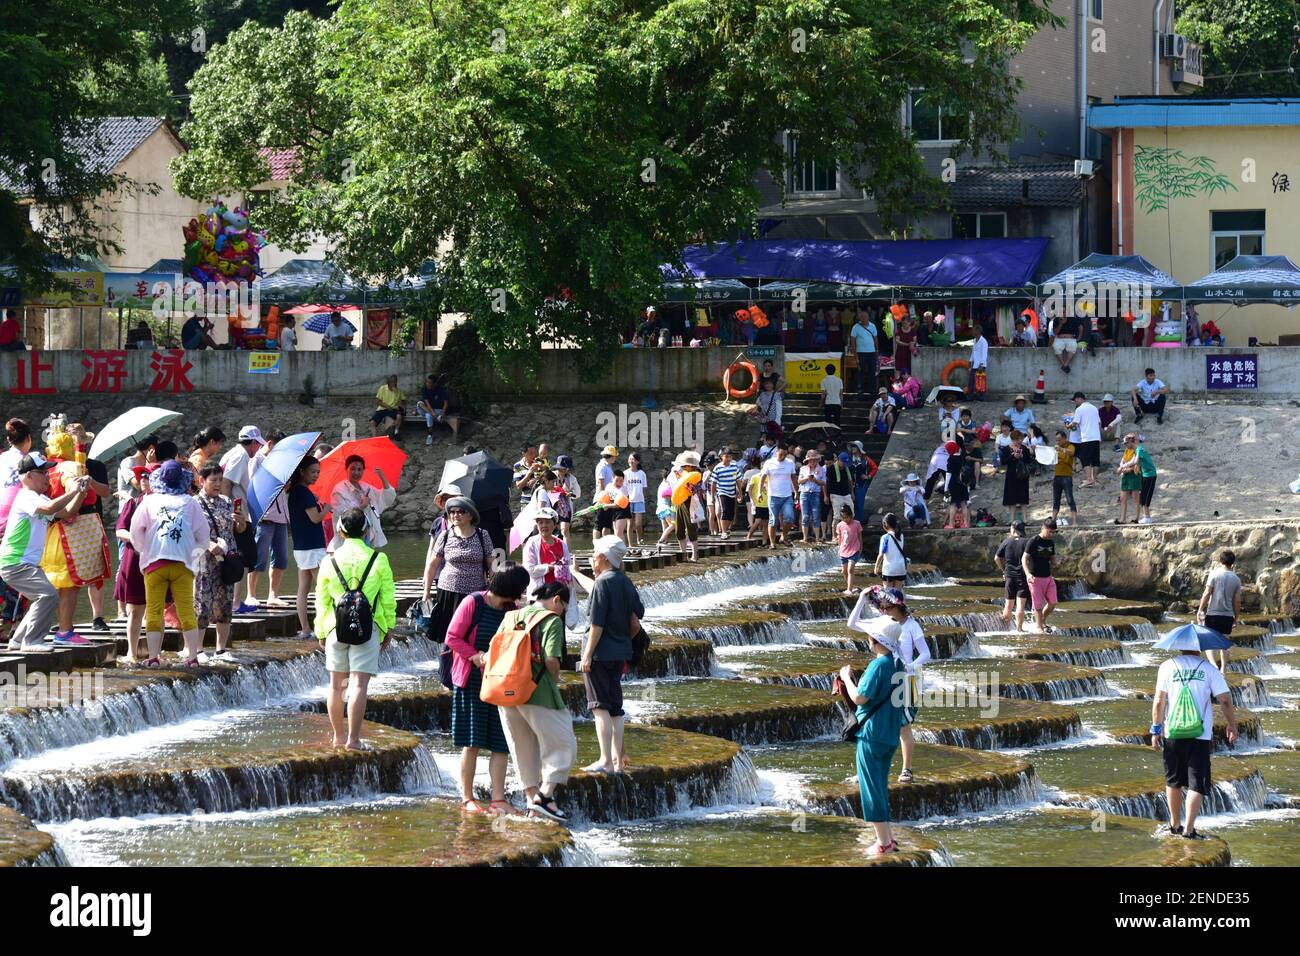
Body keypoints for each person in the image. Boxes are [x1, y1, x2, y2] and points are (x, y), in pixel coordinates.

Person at [445, 563, 531, 813]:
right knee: (472, 742)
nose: (523, 592)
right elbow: (452, 637)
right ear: (511, 588)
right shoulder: (473, 603)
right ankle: (467, 798)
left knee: (500, 741)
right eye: (521, 588)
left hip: (501, 682)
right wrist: (475, 656)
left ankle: (498, 799)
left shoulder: (512, 610)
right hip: (471, 680)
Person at [315, 507, 396, 750]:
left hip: (334, 628)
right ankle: (354, 740)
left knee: (336, 685)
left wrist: (321, 631)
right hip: (367, 628)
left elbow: (321, 600)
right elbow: (388, 599)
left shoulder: (328, 561)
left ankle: (337, 737)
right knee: (359, 685)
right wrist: (388, 627)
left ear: (340, 530)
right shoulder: (378, 559)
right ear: (367, 531)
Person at [497, 580, 578, 822]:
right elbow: (552, 659)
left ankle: (534, 803)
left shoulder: (512, 616)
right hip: (537, 691)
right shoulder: (551, 621)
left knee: (522, 746)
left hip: (506, 690)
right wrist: (556, 679)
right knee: (564, 744)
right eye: (564, 606)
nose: (563, 612)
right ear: (556, 600)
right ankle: (545, 794)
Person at [0, 454, 89, 650]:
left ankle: (17, 640)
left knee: (44, 597)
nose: (48, 477)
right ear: (29, 476)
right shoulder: (26, 497)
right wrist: (71, 490)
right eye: (43, 473)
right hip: (15, 562)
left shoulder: (39, 497)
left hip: (26, 563)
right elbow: (49, 508)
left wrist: (80, 493)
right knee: (48, 596)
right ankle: (32, 641)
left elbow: (66, 513)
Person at [1150, 643, 1236, 840]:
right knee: (1197, 782)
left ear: (1180, 646)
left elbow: (1159, 701)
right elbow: (1224, 700)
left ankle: (1174, 825)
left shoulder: (1167, 666)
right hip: (1200, 735)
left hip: (1173, 732)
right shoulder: (1209, 669)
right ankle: (1189, 829)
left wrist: (1156, 730)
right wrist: (1232, 725)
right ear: (1199, 647)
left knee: (1173, 780)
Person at [130, 460, 210, 667]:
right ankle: (192, 658)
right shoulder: (190, 502)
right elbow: (204, 535)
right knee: (186, 610)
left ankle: (153, 658)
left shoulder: (148, 501)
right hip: (182, 564)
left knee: (154, 611)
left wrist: (143, 550)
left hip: (154, 563)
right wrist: (194, 555)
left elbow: (135, 531)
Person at [837, 617, 905, 855]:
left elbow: (859, 698)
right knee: (880, 786)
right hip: (890, 735)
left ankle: (883, 843)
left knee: (871, 788)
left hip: (871, 735)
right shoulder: (899, 664)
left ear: (875, 641)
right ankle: (888, 838)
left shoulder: (878, 666)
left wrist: (846, 678)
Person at [578, 535, 644, 774]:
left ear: (603, 558)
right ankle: (617, 759)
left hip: (600, 654)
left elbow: (596, 625)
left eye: (594, 555)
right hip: (620, 653)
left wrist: (587, 655)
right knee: (616, 707)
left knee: (599, 707)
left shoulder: (602, 583)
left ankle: (605, 759)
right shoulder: (624, 581)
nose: (592, 559)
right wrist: (623, 640)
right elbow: (636, 620)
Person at [40, 428, 109, 645]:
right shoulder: (70, 467)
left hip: (50, 530)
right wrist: (73, 507)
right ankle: (64, 631)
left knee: (59, 584)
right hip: (71, 531)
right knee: (69, 585)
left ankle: (56, 628)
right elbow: (75, 487)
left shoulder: (45, 468)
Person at [421, 493, 495, 647]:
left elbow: (491, 564)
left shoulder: (483, 535)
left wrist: (493, 590)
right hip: (448, 592)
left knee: (471, 634)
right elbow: (432, 565)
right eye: (453, 512)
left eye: (461, 512)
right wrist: (426, 592)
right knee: (448, 634)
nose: (456, 515)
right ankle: (447, 665)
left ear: (471, 515)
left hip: (474, 594)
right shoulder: (445, 536)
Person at [193, 462, 246, 663]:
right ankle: (197, 649)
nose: (217, 484)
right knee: (202, 601)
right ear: (201, 481)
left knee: (224, 603)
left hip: (227, 559)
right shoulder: (194, 504)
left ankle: (221, 649)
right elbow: (192, 532)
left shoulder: (226, 501)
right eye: (212, 480)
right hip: (204, 560)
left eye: (219, 480)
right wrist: (208, 544)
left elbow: (237, 531)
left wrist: (240, 522)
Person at [220, 425, 263, 612]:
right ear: (253, 443)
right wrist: (228, 512)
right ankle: (236, 603)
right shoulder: (241, 456)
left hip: (240, 514)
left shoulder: (232, 453)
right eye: (258, 444)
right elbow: (226, 483)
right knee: (245, 558)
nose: (258, 448)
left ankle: (235, 601)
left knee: (244, 557)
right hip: (239, 515)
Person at [288, 458, 331, 640]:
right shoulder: (303, 492)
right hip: (312, 547)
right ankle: (325, 628)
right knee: (325, 587)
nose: (316, 476)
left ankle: (306, 629)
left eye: (317, 472)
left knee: (303, 589)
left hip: (301, 546)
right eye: (313, 472)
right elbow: (315, 518)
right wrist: (327, 508)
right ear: (302, 471)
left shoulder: (296, 492)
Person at [246, 431, 290, 607]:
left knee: (281, 557)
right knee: (259, 556)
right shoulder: (256, 460)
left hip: (281, 515)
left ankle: (273, 594)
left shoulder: (280, 463)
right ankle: (251, 594)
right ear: (270, 444)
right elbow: (256, 485)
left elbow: (284, 488)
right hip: (264, 516)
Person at [113, 465, 152, 663]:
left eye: (148, 476)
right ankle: (132, 652)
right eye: (141, 476)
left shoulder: (167, 505)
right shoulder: (133, 503)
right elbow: (120, 530)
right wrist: (136, 540)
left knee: (156, 608)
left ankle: (155, 654)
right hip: (135, 560)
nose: (143, 479)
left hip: (157, 559)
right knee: (135, 609)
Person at [329, 455, 396, 550]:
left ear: (363, 471)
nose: (356, 472)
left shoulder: (366, 487)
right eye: (353, 469)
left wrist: (382, 477)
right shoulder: (339, 490)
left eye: (359, 469)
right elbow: (340, 516)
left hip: (367, 533)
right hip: (348, 538)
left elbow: (385, 498)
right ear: (346, 469)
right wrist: (362, 506)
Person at [1197, 550, 1241, 675]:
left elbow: (1207, 593)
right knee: (1224, 643)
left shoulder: (1214, 575)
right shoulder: (1236, 579)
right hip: (1227, 616)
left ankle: (1213, 665)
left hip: (1213, 614)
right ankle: (1223, 669)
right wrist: (1236, 617)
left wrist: (1200, 609)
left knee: (1209, 641)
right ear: (1232, 563)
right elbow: (1237, 601)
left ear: (1221, 561)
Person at [1021, 519, 1059, 633]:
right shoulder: (1033, 541)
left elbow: (1052, 559)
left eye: (1054, 532)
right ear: (1044, 528)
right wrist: (1028, 574)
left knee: (1053, 602)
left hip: (1048, 577)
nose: (1052, 534)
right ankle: (1039, 627)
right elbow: (1024, 558)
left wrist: (1057, 563)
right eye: (1050, 531)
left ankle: (1042, 620)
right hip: (1035, 578)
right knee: (1038, 604)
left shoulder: (1051, 543)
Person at [994, 521, 1031, 632]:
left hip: (1009, 576)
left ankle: (1007, 629)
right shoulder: (1026, 542)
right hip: (1022, 577)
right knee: (1020, 605)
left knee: (1008, 605)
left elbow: (996, 558)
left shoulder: (1006, 542)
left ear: (1013, 529)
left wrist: (1004, 570)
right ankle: (1019, 630)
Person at [761, 444, 798, 547]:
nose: (782, 457)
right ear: (777, 452)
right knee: (773, 520)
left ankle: (783, 536)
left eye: (785, 455)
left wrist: (796, 492)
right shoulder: (769, 463)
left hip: (787, 495)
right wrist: (760, 492)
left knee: (790, 518)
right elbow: (763, 477)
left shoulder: (790, 463)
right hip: (773, 495)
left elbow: (794, 478)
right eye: (781, 454)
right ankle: (772, 543)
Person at [1068, 392, 1102, 486]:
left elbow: (1075, 423)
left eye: (1075, 400)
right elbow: (1099, 423)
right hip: (1096, 437)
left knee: (1085, 459)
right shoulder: (1094, 408)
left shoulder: (1080, 409)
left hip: (1086, 438)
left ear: (1079, 398)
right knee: (1095, 460)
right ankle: (1094, 479)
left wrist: (1068, 426)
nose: (1075, 402)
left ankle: (1088, 479)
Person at [707, 448, 742, 538]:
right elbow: (713, 483)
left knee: (731, 513)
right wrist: (713, 495)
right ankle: (723, 532)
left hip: (732, 492)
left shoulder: (734, 467)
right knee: (725, 511)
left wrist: (740, 492)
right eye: (726, 456)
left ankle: (726, 529)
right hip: (722, 492)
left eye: (730, 456)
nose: (728, 458)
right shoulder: (717, 468)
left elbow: (738, 480)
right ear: (721, 457)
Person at [797, 450, 826, 544]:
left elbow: (823, 483)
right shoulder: (803, 469)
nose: (812, 462)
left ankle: (817, 538)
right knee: (805, 516)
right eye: (811, 460)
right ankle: (805, 537)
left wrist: (815, 480)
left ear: (817, 460)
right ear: (808, 460)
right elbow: (799, 481)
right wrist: (807, 478)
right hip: (804, 493)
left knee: (816, 516)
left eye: (814, 460)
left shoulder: (821, 469)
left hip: (815, 493)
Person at [1051, 430, 1078, 527]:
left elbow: (1071, 453)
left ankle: (1075, 522)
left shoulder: (1070, 446)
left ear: (1064, 438)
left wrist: (1061, 450)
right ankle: (1053, 522)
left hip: (1067, 477)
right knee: (1055, 500)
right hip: (1057, 476)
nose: (1057, 442)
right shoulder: (1056, 448)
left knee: (1070, 499)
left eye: (1059, 440)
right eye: (1056, 440)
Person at [1115, 431, 1143, 525]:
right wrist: (1121, 468)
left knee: (1135, 498)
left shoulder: (1137, 450)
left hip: (1134, 475)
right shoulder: (1127, 450)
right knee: (1123, 498)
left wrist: (1125, 469)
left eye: (1127, 443)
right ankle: (1122, 519)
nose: (1126, 445)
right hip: (1125, 475)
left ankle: (1137, 518)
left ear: (1132, 441)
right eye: (1125, 443)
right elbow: (1122, 461)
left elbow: (1135, 463)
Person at [943, 438, 971, 529]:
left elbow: (948, 474)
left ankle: (951, 524)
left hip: (954, 482)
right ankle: (966, 523)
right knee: (964, 503)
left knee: (953, 504)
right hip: (963, 483)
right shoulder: (962, 457)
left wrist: (945, 488)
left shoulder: (950, 459)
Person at [835, 504, 863, 595]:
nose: (845, 520)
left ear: (851, 516)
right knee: (844, 571)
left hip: (854, 549)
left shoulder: (856, 524)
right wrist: (839, 549)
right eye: (843, 518)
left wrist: (860, 548)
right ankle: (849, 586)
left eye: (847, 517)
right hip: (843, 551)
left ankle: (849, 590)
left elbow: (860, 537)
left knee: (850, 569)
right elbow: (840, 538)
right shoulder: (839, 525)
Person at [873, 513, 908, 585]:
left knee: (888, 594)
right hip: (901, 568)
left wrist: (876, 567)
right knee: (898, 593)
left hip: (889, 569)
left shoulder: (885, 537)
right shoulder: (901, 535)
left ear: (886, 524)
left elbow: (881, 554)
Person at [850, 311, 878, 393]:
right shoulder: (855, 327)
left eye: (865, 317)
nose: (864, 318)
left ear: (868, 317)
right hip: (861, 352)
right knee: (861, 370)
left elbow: (875, 338)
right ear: (860, 318)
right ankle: (860, 388)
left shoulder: (872, 326)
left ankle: (872, 389)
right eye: (862, 317)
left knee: (872, 371)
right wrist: (855, 353)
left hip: (872, 352)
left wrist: (877, 349)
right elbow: (852, 341)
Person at [623, 452, 648, 545]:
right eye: (630, 459)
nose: (631, 461)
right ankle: (630, 544)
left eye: (633, 459)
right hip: (628, 501)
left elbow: (644, 488)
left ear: (637, 461)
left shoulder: (642, 474)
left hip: (639, 501)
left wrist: (643, 498)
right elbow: (623, 488)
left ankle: (639, 539)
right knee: (629, 523)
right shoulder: (625, 473)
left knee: (638, 523)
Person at [372, 374, 406, 439]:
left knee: (398, 416)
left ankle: (396, 432)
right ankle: (375, 437)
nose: (393, 383)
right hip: (382, 409)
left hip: (393, 409)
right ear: (388, 382)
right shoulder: (382, 388)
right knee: (372, 422)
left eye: (395, 381)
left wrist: (400, 401)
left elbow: (403, 401)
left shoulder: (399, 391)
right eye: (392, 382)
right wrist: (387, 406)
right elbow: (377, 401)